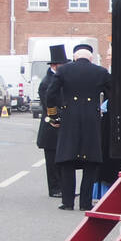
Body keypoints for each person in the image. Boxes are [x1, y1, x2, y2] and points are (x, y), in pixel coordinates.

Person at [47, 43, 111, 211]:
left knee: (67, 160)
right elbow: (113, 94)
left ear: (74, 57)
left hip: (69, 119)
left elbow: (50, 94)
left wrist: (54, 116)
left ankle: (67, 202)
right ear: (91, 58)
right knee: (90, 162)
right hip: (92, 120)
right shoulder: (101, 72)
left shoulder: (63, 70)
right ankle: (85, 202)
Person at [35, 45, 68, 198]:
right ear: (55, 65)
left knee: (60, 158)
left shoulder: (59, 79)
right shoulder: (47, 82)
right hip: (51, 125)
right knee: (51, 160)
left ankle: (62, 186)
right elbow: (49, 105)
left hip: (61, 126)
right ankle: (54, 188)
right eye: (63, 64)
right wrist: (60, 117)